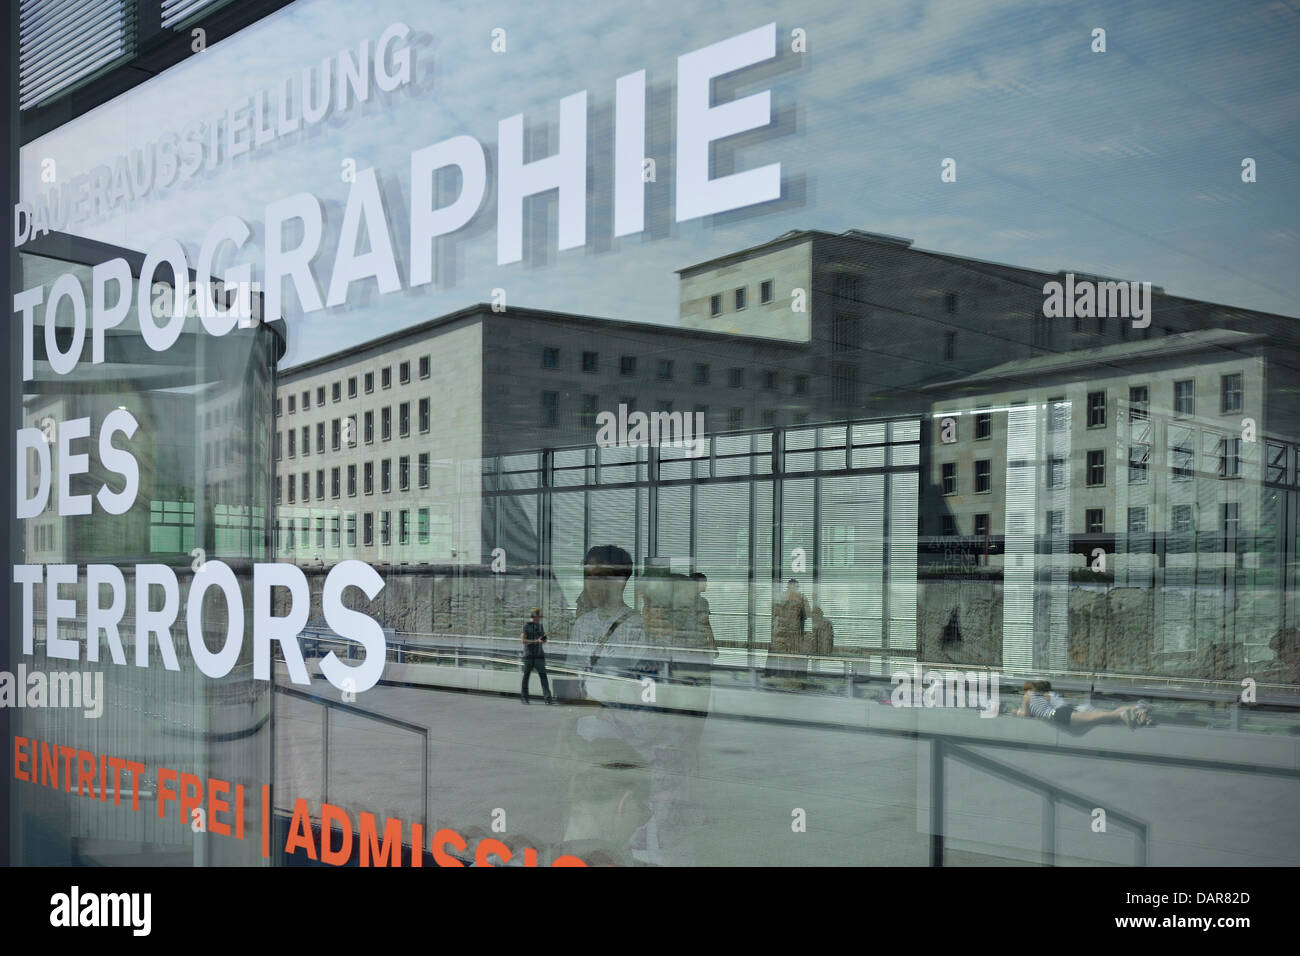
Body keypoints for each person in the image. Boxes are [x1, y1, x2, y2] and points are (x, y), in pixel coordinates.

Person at [1013, 680, 1151, 730]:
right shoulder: (1044, 695)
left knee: (1106, 716)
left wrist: (1016, 712)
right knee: (1105, 717)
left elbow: (1026, 714)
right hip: (1063, 711)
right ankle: (1138, 709)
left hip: (1059, 716)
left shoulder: (1028, 696)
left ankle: (1135, 712)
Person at [768, 578, 810, 677]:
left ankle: (788, 675)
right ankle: (787, 675)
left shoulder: (796, 597)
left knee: (789, 654)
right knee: (787, 654)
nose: (797, 589)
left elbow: (807, 614)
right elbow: (774, 612)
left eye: (797, 587)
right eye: (796, 586)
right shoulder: (797, 597)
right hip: (787, 631)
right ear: (790, 586)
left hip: (789, 631)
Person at [519, 607, 554, 705]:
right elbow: (523, 640)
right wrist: (536, 641)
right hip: (529, 656)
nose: (540, 618)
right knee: (526, 677)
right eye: (538, 617)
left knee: (543, 677)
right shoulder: (526, 626)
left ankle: (548, 699)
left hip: (539, 655)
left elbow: (543, 640)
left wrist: (544, 639)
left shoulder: (540, 626)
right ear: (534, 617)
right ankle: (524, 698)